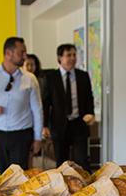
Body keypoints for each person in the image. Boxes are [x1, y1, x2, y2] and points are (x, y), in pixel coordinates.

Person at [0, 37, 43, 173]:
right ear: (8, 53)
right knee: (3, 174)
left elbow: (37, 110)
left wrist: (37, 138)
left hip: (21, 134)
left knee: (19, 175)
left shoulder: (29, 78)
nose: (24, 57)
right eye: (21, 52)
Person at [41, 43, 96, 172]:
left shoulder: (82, 76)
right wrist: (44, 126)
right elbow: (45, 103)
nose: (72, 58)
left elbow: (89, 98)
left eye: (74, 55)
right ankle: (63, 189)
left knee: (82, 159)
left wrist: (90, 114)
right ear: (60, 57)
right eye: (68, 55)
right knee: (62, 162)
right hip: (59, 125)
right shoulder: (50, 78)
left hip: (78, 124)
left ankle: (87, 188)